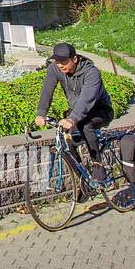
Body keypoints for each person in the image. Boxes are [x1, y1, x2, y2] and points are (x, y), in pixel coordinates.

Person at [34, 42, 114, 183]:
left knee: (86, 126)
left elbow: (86, 98)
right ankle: (82, 179)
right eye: (57, 61)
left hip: (100, 109)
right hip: (75, 111)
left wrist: (73, 118)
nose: (60, 65)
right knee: (66, 137)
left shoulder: (91, 73)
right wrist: (41, 113)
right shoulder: (55, 69)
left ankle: (98, 164)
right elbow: (47, 91)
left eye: (63, 61)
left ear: (74, 59)